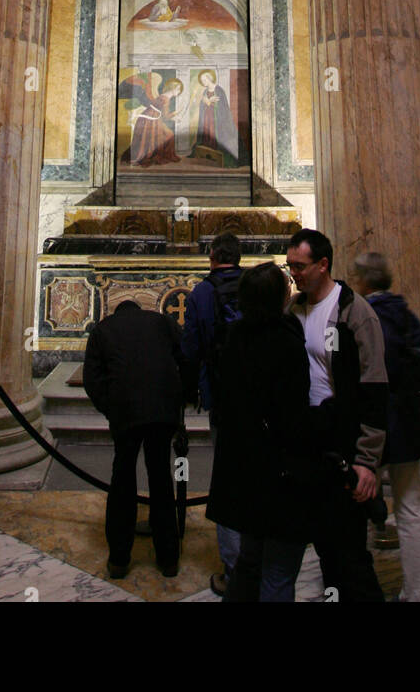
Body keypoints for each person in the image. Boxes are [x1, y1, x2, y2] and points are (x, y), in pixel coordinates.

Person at [286, 228, 388, 602]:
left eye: (299, 266)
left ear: (323, 265)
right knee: (326, 552)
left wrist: (367, 460)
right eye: (290, 266)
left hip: (342, 442)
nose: (293, 273)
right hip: (307, 442)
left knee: (350, 556)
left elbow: (375, 388)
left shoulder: (355, 312)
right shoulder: (293, 309)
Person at [206, 262, 314, 602]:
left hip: (244, 470)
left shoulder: (234, 336)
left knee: (250, 559)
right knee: (279, 571)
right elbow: (294, 410)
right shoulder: (287, 341)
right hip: (280, 473)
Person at [350, 251, 420, 603]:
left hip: (372, 431)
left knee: (358, 508)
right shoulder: (407, 316)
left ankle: (359, 588)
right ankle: (418, 593)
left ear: (363, 281)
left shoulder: (364, 318)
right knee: (411, 512)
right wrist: (418, 407)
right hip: (406, 428)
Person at [83, 299, 184, 580]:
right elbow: (185, 357)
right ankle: (169, 560)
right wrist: (180, 400)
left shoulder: (103, 329)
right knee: (162, 479)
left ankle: (118, 559)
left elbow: (91, 378)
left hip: (125, 411)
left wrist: (110, 407)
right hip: (162, 411)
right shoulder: (163, 322)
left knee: (122, 479)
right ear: (140, 310)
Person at [181, 230, 243, 595]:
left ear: (211, 257)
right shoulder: (258, 285)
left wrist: (190, 391)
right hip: (259, 395)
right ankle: (259, 557)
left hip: (220, 394)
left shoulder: (202, 292)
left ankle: (234, 568)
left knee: (226, 475)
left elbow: (191, 348)